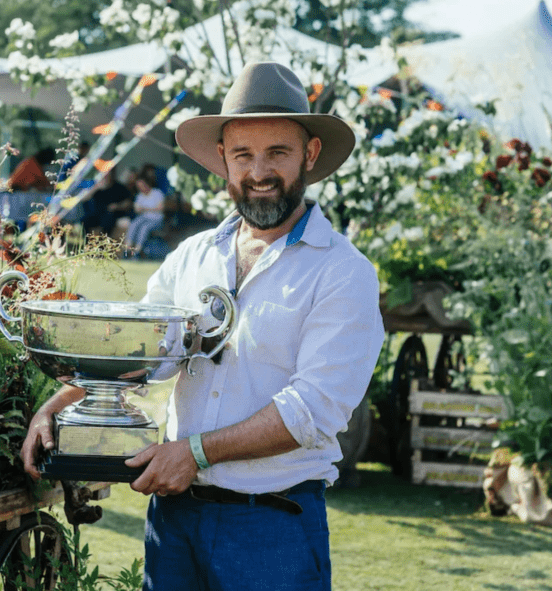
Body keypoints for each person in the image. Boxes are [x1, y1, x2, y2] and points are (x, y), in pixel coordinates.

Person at [21, 61, 385, 590]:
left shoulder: (342, 271)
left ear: (309, 155)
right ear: (223, 161)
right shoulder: (194, 256)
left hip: (272, 528)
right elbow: (136, 353)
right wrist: (53, 410)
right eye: (243, 155)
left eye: (277, 153)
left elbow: (313, 410)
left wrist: (194, 453)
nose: (259, 171)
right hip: (175, 521)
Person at [80, 168, 133, 236]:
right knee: (85, 221)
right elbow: (84, 199)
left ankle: (102, 243)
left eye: (108, 173)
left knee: (108, 220)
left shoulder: (119, 187)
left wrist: (117, 206)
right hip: (97, 214)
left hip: (112, 214)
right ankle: (86, 243)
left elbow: (128, 203)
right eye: (104, 173)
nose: (106, 176)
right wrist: (96, 188)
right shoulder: (97, 186)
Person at [123, 173, 166, 257]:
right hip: (143, 217)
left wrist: (144, 208)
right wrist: (139, 209)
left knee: (144, 227)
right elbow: (137, 209)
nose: (141, 188)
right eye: (138, 186)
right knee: (133, 224)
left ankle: (137, 251)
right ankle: (127, 249)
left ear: (147, 184)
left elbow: (160, 208)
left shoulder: (157, 193)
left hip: (156, 219)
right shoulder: (139, 196)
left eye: (142, 185)